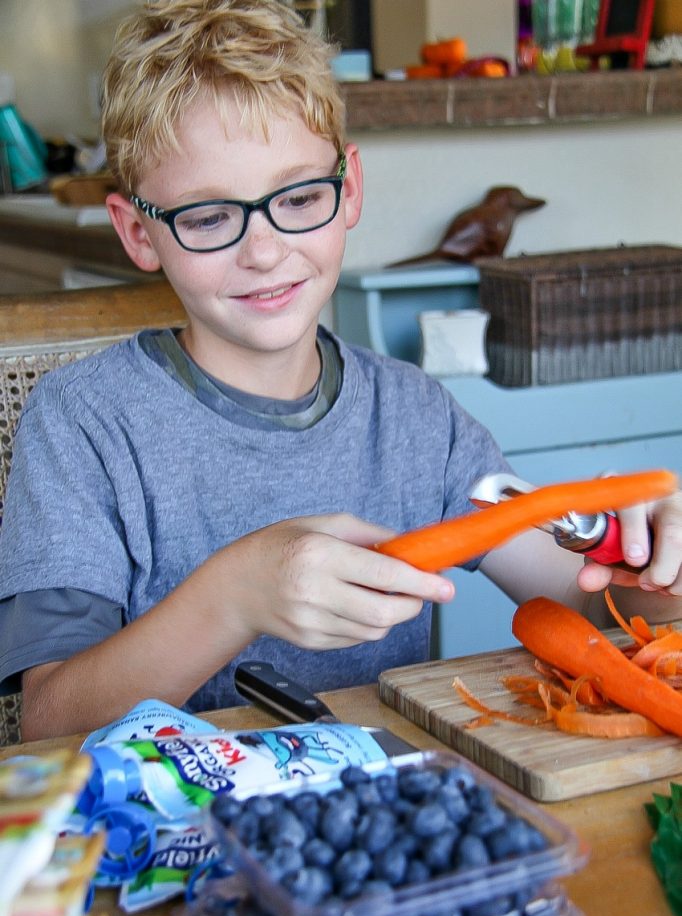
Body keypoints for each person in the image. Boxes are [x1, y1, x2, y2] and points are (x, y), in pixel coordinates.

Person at [0, 0, 680, 742]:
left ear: (348, 189)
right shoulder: (83, 422)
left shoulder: (418, 418)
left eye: (297, 198)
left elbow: (585, 605)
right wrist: (234, 597)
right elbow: (50, 722)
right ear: (139, 232)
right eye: (205, 218)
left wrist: (658, 574)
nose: (263, 251)